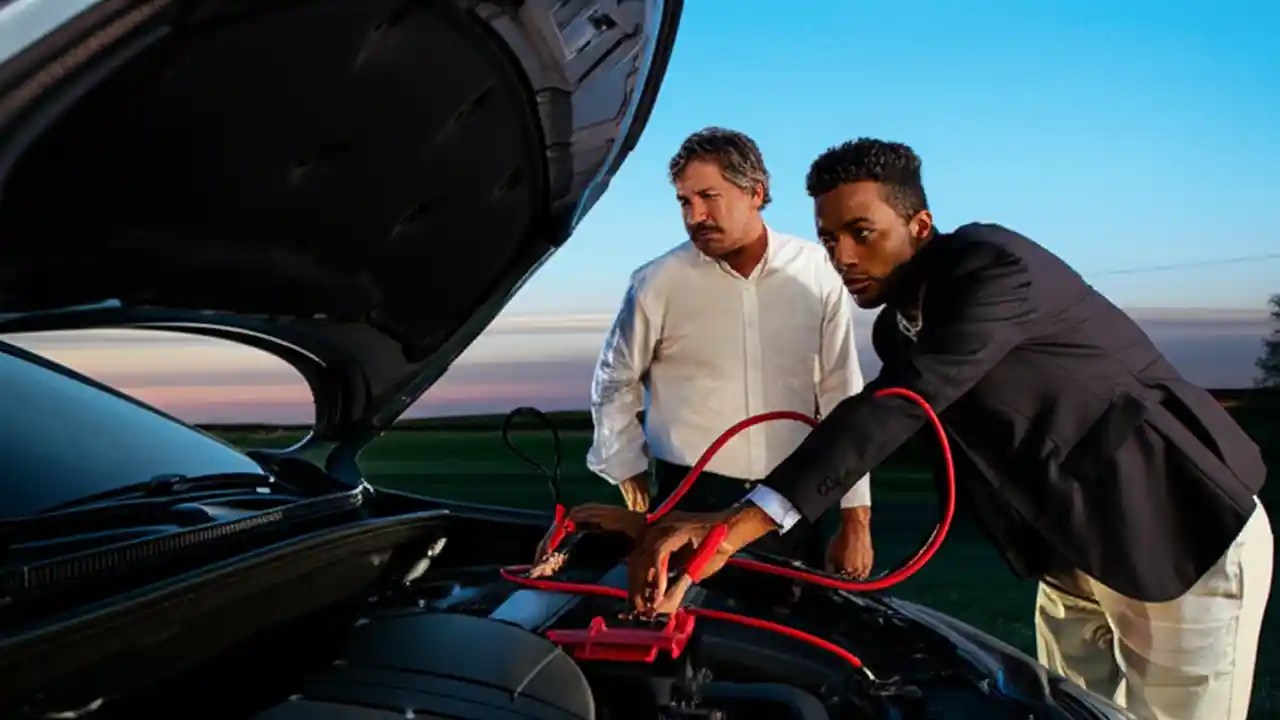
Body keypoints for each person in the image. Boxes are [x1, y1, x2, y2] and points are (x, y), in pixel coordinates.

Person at [626, 137, 1273, 720]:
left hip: (1174, 525)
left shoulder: (994, 268)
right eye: (829, 240)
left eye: (861, 232)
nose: (842, 257)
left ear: (920, 224)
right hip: (1071, 555)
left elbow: (898, 403)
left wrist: (744, 520)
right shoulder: (895, 324)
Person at [584, 126, 874, 574]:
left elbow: (843, 392)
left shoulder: (817, 273)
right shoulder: (657, 282)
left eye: (708, 196)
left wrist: (856, 519)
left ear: (755, 192)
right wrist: (627, 468)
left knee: (791, 634)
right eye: (684, 201)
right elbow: (613, 382)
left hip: (793, 497)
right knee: (690, 631)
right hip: (689, 498)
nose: (694, 215)